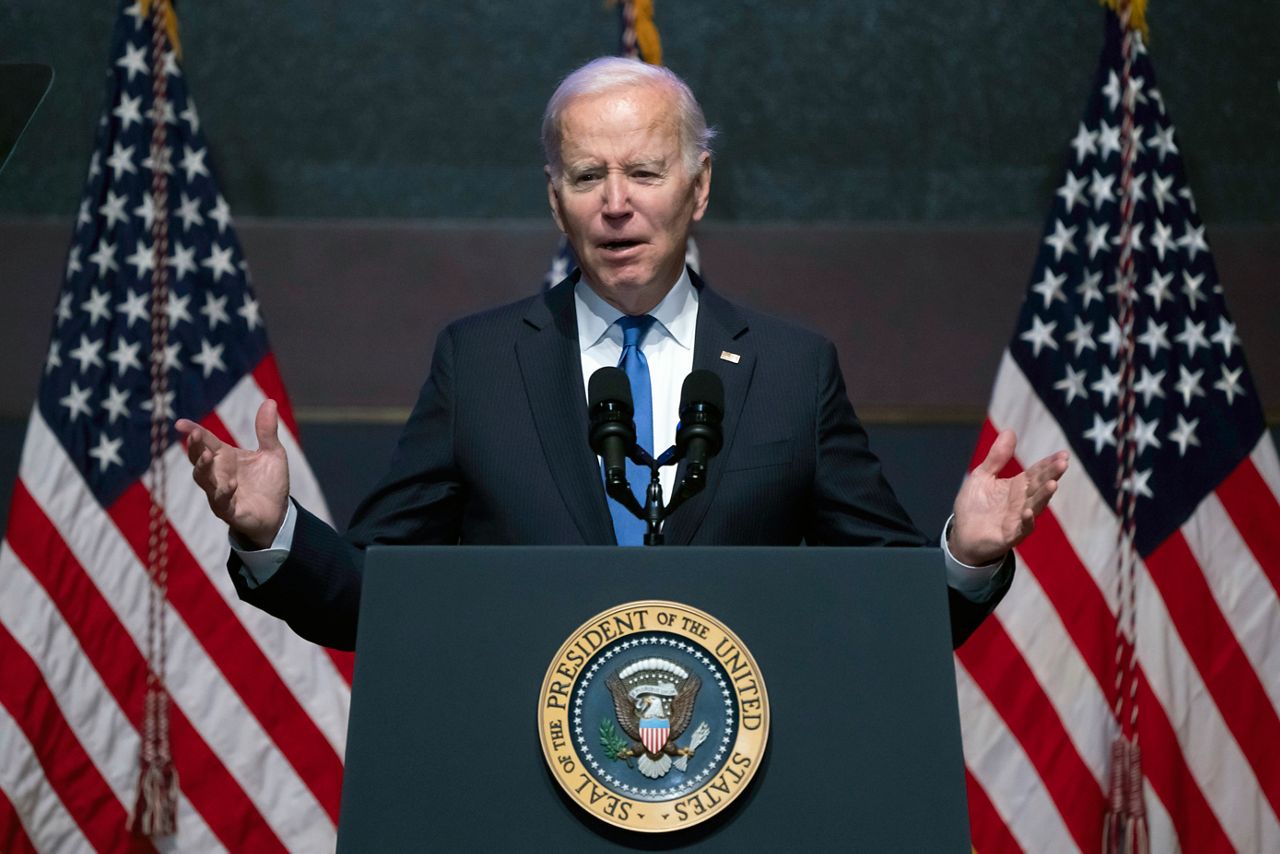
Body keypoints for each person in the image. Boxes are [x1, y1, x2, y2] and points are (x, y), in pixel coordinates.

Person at [176, 57, 1068, 652]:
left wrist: (967, 552)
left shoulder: (793, 370)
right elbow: (376, 599)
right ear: (555, 198)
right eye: (586, 176)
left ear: (699, 188)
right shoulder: (479, 364)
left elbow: (885, 611)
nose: (615, 204)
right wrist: (274, 533)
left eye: (643, 173)